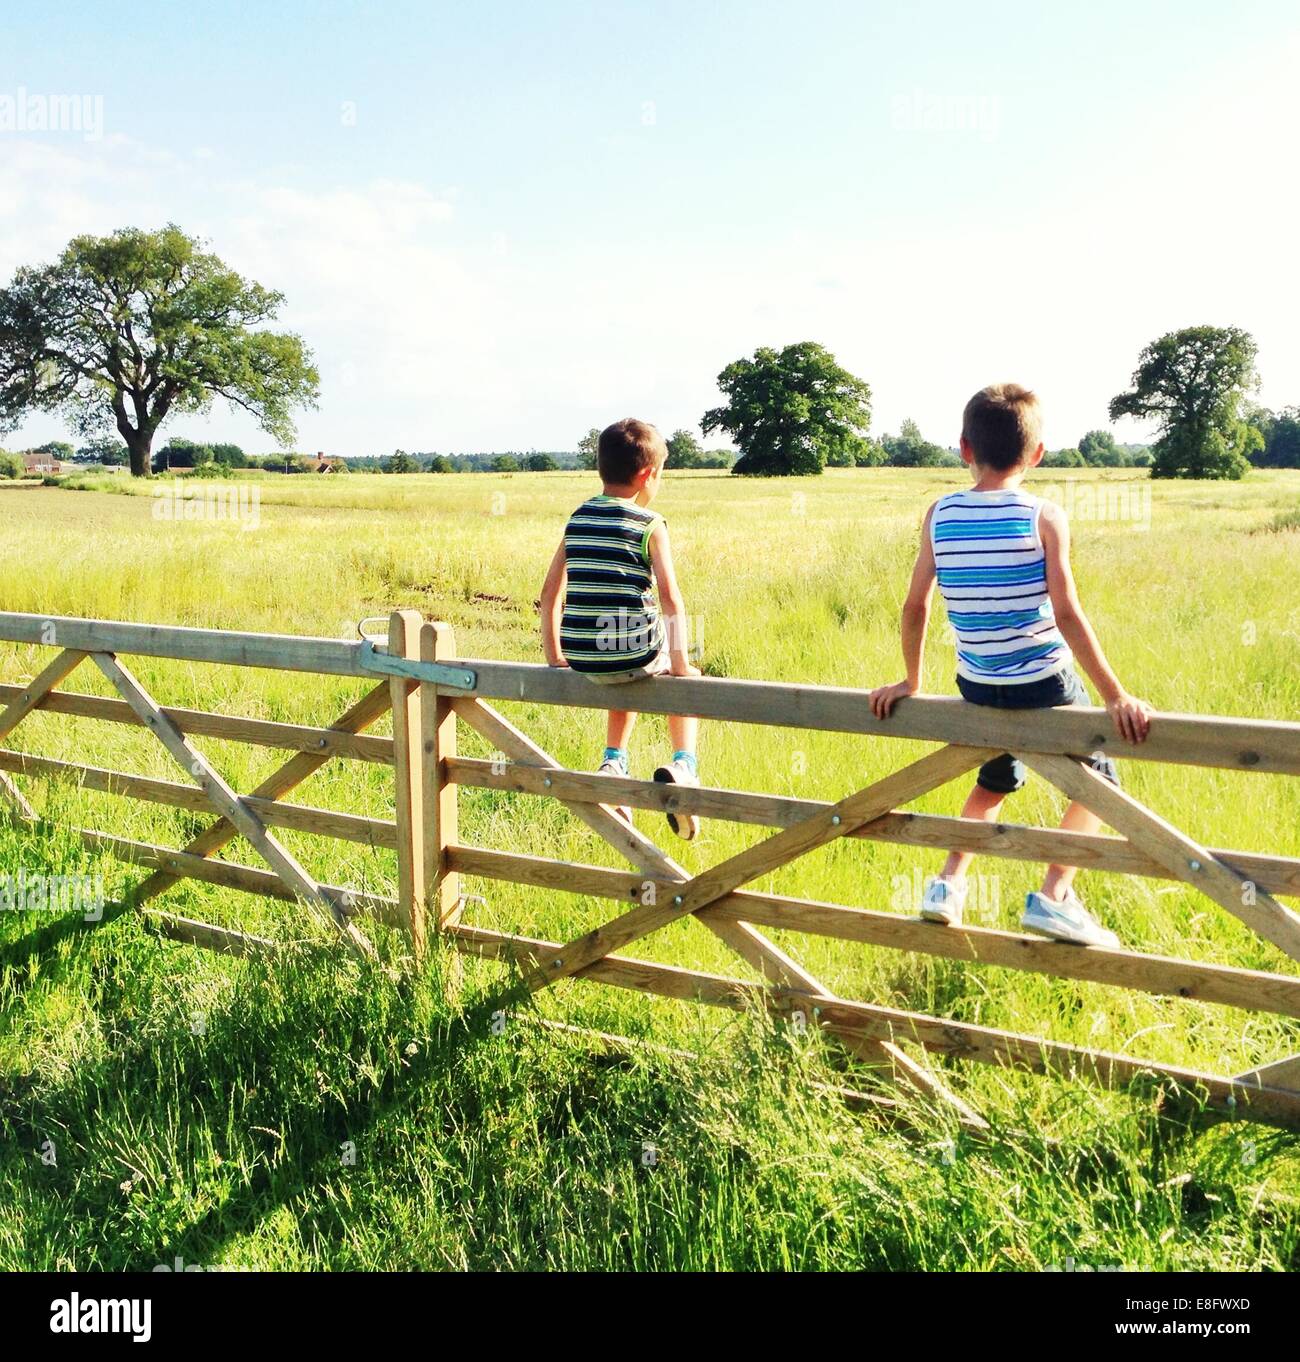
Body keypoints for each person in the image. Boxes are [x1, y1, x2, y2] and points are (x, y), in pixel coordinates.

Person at [868, 383, 1153, 946]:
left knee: (995, 777)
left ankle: (946, 885)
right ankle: (1054, 897)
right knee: (1102, 781)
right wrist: (1116, 694)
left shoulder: (939, 512)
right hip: (1043, 682)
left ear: (964, 448)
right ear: (1038, 453)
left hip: (977, 684)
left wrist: (911, 680)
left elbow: (915, 605)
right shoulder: (1044, 515)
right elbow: (1067, 614)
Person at [539, 417, 700, 839]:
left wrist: (555, 654)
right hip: (635, 651)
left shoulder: (578, 518)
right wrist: (681, 665)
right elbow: (670, 599)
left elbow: (550, 590)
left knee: (617, 656)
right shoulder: (650, 524)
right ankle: (684, 764)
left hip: (582, 653)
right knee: (673, 665)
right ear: (648, 475)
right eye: (661, 474)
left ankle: (614, 761)